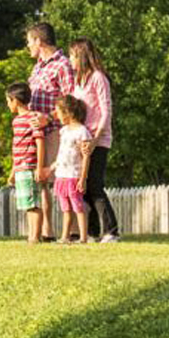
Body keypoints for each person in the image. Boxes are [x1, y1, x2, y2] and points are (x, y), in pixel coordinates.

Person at [24, 22, 74, 240]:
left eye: (29, 42)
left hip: (55, 130)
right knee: (41, 181)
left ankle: (73, 232)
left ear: (38, 41)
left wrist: (49, 118)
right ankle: (47, 232)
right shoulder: (37, 67)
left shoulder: (62, 65)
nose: (28, 47)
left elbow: (71, 101)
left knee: (63, 180)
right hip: (37, 135)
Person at [68, 38, 120, 243]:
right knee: (84, 187)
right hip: (82, 140)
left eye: (72, 55)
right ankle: (91, 232)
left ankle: (111, 231)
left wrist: (96, 138)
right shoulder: (78, 81)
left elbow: (106, 111)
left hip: (98, 140)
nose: (70, 59)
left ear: (81, 56)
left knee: (94, 185)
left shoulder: (99, 78)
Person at [4, 83, 47, 244]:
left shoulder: (33, 118)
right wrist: (12, 172)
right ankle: (31, 236)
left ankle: (35, 237)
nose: (8, 105)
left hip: (30, 167)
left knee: (33, 204)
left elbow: (39, 142)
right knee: (26, 204)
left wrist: (39, 167)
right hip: (20, 167)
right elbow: (16, 149)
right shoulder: (16, 121)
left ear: (15, 100)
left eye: (8, 101)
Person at [51, 95, 93, 244]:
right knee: (66, 209)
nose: (56, 115)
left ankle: (83, 237)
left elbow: (86, 156)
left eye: (58, 112)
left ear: (68, 112)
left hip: (73, 176)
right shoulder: (64, 131)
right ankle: (65, 236)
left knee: (78, 207)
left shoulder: (82, 132)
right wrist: (52, 167)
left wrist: (83, 178)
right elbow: (62, 154)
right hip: (61, 176)